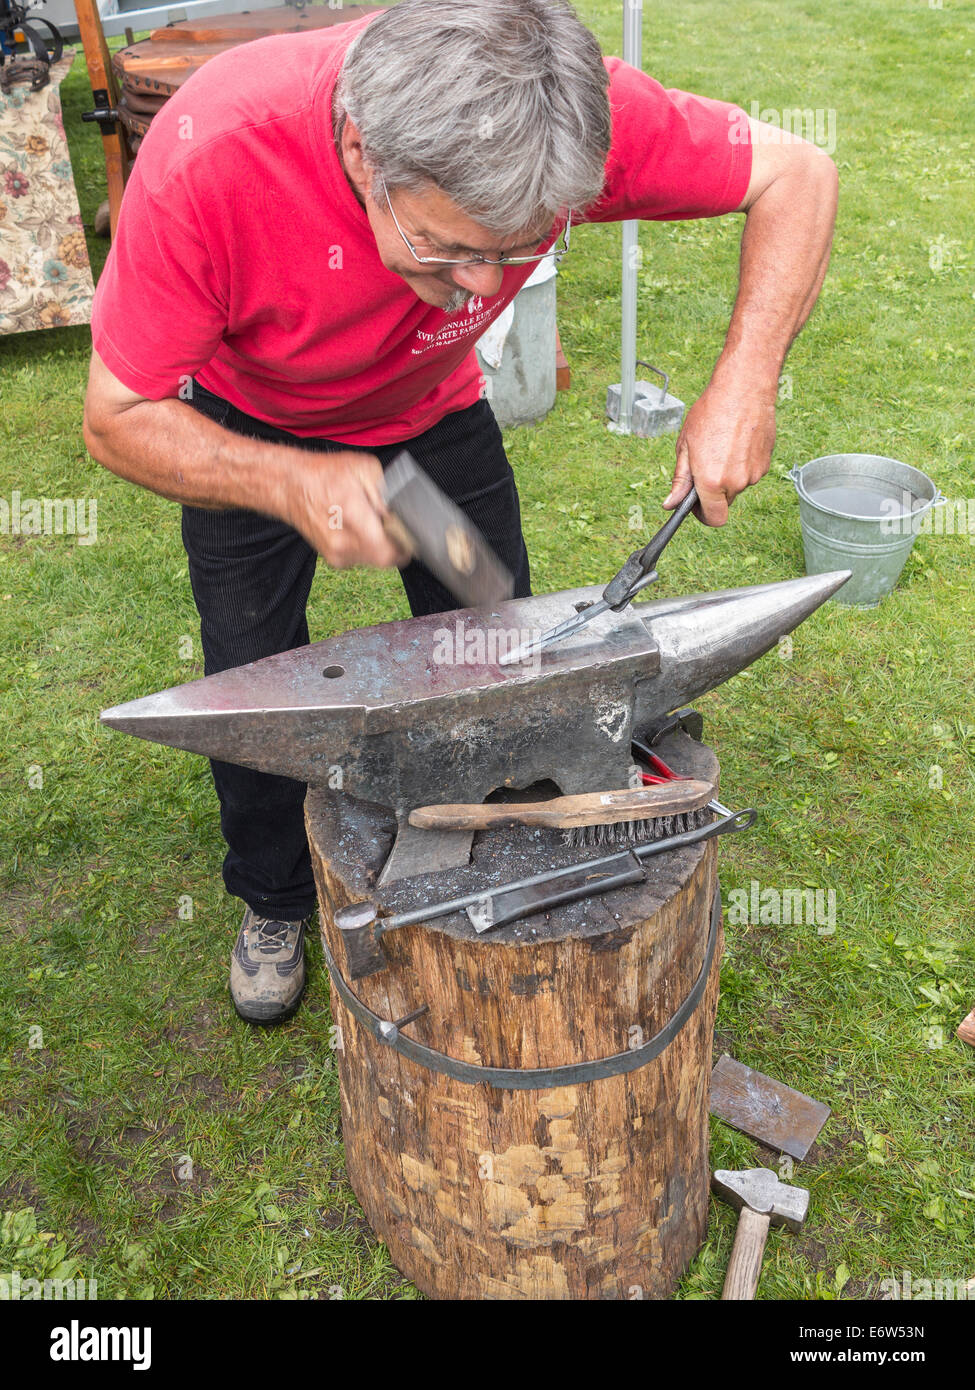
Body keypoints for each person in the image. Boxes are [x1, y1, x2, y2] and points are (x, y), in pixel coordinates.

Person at [83, 0, 837, 1024]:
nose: (482, 287)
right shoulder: (213, 153)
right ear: (360, 150)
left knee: (512, 648)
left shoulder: (566, 114)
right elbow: (118, 417)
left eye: (516, 250)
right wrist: (290, 481)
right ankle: (272, 894)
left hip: (430, 415)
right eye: (445, 252)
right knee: (250, 669)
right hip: (246, 423)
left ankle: (510, 836)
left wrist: (747, 377)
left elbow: (799, 174)